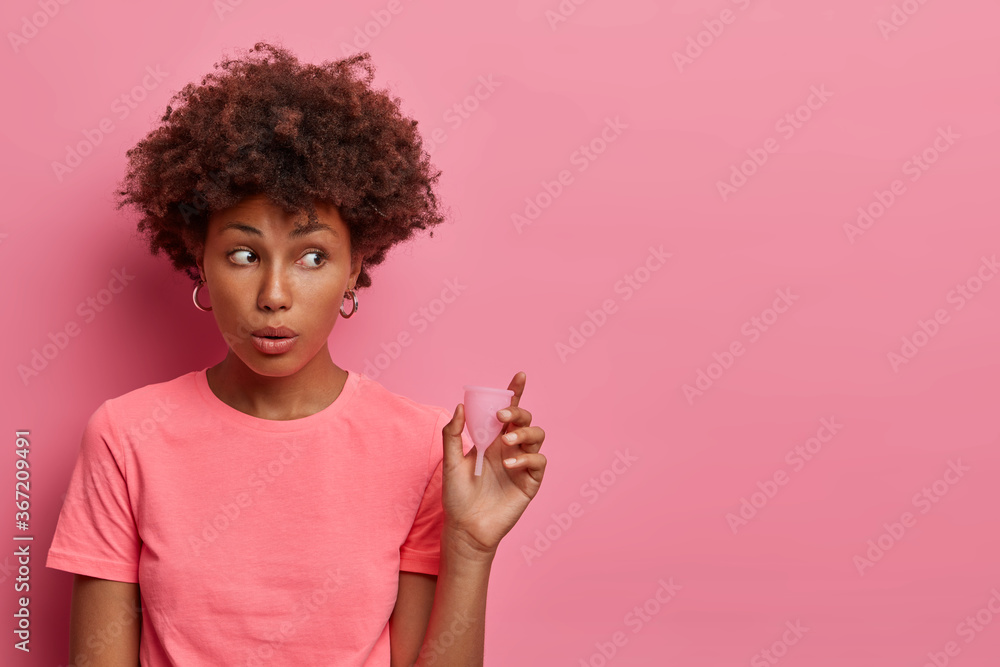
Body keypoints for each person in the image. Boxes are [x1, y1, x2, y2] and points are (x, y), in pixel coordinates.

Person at [45, 41, 546, 666]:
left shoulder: (424, 446)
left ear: (354, 267)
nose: (274, 295)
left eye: (312, 256)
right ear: (200, 258)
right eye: (244, 254)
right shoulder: (125, 438)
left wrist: (470, 547)